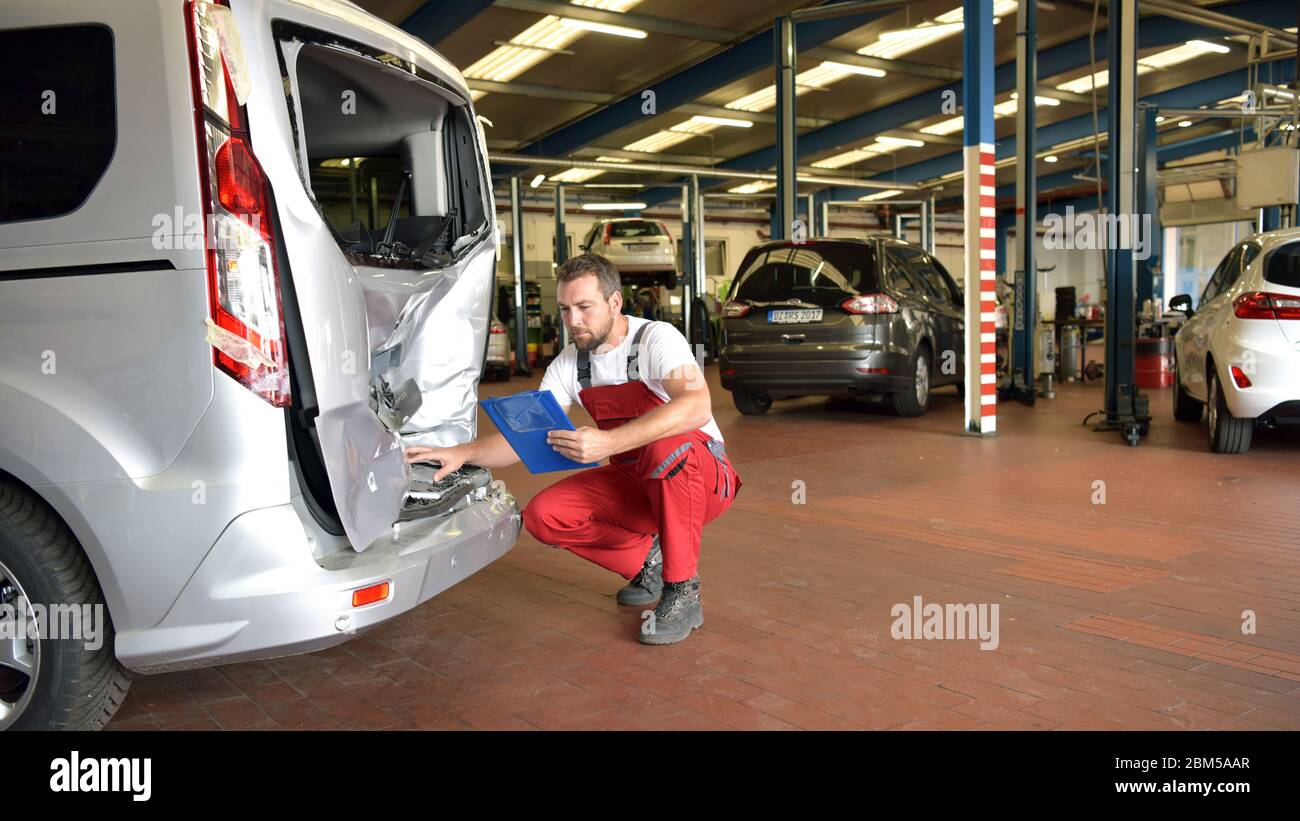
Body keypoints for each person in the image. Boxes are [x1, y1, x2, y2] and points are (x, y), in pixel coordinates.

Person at [405, 254, 740, 645]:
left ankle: (682, 590)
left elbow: (696, 405)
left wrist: (609, 442)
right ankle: (650, 563)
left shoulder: (658, 339)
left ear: (615, 302)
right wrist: (464, 453)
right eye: (565, 309)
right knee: (545, 515)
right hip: (639, 480)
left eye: (584, 307)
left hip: (703, 478)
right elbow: (528, 439)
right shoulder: (569, 364)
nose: (573, 321)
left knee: (667, 445)